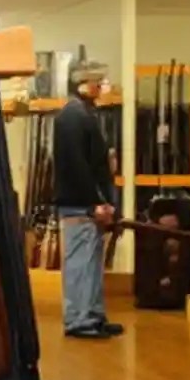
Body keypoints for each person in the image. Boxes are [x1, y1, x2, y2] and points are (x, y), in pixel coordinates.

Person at [53, 74, 124, 339]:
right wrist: (94, 202)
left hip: (87, 203)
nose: (101, 85)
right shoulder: (73, 117)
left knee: (91, 264)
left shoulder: (81, 115)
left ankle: (92, 315)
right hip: (79, 204)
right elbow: (77, 166)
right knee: (81, 265)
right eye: (96, 80)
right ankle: (79, 319)